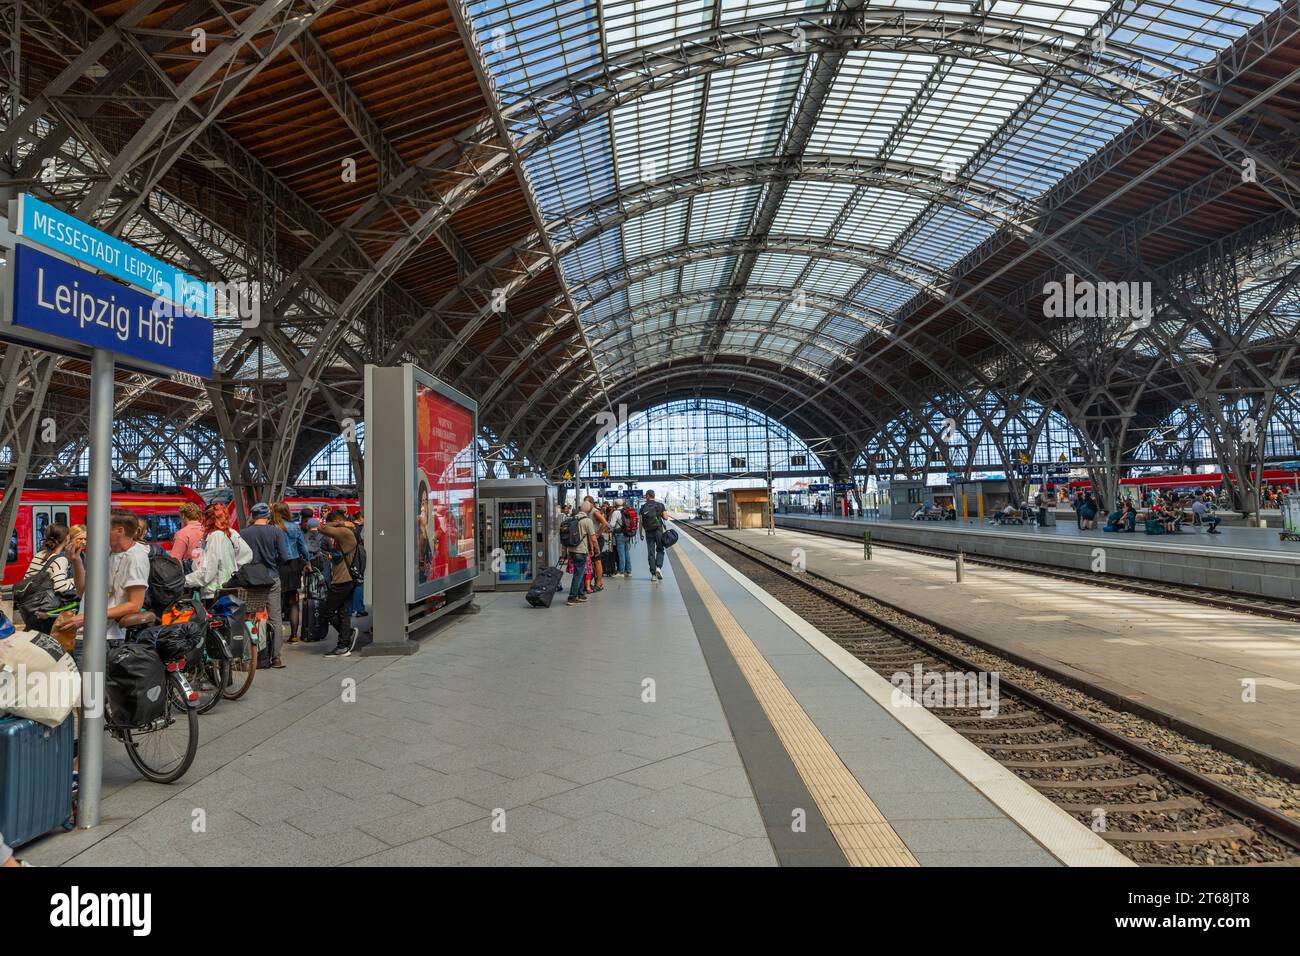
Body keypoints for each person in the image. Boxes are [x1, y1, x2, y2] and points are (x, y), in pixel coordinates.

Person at [58, 509, 151, 644]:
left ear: (120, 531)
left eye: (104, 526)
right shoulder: (104, 551)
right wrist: (76, 561)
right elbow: (83, 592)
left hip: (107, 638)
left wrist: (88, 618)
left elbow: (134, 605)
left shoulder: (136, 558)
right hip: (82, 633)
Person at [240, 502, 291, 668]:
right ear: (267, 516)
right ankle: (276, 657)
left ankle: (249, 657)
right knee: (275, 618)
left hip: (251, 580)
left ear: (253, 516)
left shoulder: (244, 533)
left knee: (250, 616)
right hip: (271, 579)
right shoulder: (276, 532)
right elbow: (284, 556)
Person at [15, 524, 78, 634]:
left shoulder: (39, 554)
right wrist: (75, 581)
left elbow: (27, 578)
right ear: (67, 538)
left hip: (29, 609)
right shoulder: (60, 560)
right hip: (45, 611)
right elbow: (60, 587)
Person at [183, 502, 252, 600]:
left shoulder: (216, 536)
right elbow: (247, 554)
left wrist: (184, 581)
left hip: (215, 593)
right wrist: (234, 572)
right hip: (226, 590)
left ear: (208, 520)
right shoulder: (225, 535)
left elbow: (208, 572)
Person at [319, 509, 360, 657]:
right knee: (343, 613)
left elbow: (321, 527)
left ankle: (346, 634)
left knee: (327, 612)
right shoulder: (347, 532)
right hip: (346, 578)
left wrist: (339, 523)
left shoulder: (344, 531)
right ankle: (343, 644)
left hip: (343, 579)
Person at [273, 502, 310, 645]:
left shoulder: (273, 528)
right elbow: (304, 548)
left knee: (276, 599)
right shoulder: (295, 527)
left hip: (278, 565)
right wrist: (307, 561)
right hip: (294, 566)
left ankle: (276, 636)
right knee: (293, 600)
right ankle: (294, 635)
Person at [565, 499, 598, 607]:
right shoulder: (587, 520)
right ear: (588, 510)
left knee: (580, 572)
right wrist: (596, 548)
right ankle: (572, 597)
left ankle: (580, 594)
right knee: (578, 574)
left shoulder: (572, 518)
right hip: (581, 551)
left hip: (572, 550)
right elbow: (592, 537)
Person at [639, 490, 669, 580]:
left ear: (648, 496)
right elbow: (666, 518)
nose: (645, 497)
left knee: (651, 552)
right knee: (660, 549)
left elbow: (641, 522)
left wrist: (641, 533)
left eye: (645, 496)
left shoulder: (643, 507)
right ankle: (658, 568)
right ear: (654, 496)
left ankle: (653, 575)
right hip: (659, 531)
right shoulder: (660, 505)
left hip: (648, 532)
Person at [170, 502, 205, 572]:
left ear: (183, 516)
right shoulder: (206, 529)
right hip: (207, 572)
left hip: (191, 574)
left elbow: (176, 559)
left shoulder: (182, 533)